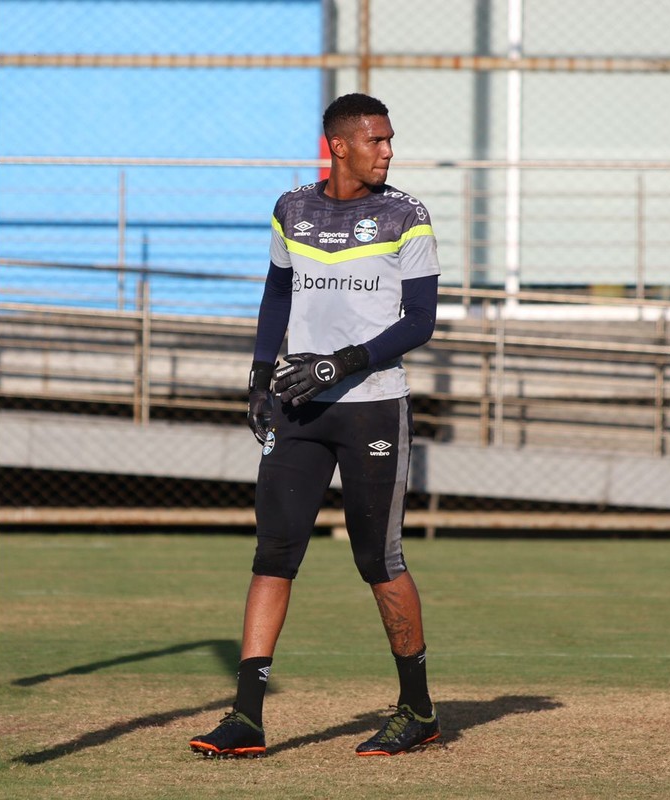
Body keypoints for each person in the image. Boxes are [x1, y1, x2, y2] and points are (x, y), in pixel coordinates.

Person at [189, 93, 441, 759]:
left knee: (376, 558)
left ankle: (417, 708)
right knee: (274, 552)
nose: (388, 150)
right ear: (338, 145)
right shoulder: (291, 208)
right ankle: (246, 716)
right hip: (298, 408)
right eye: (376, 140)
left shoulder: (406, 215)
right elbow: (277, 292)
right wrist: (258, 374)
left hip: (374, 407)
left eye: (390, 139)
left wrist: (341, 365)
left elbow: (420, 320)